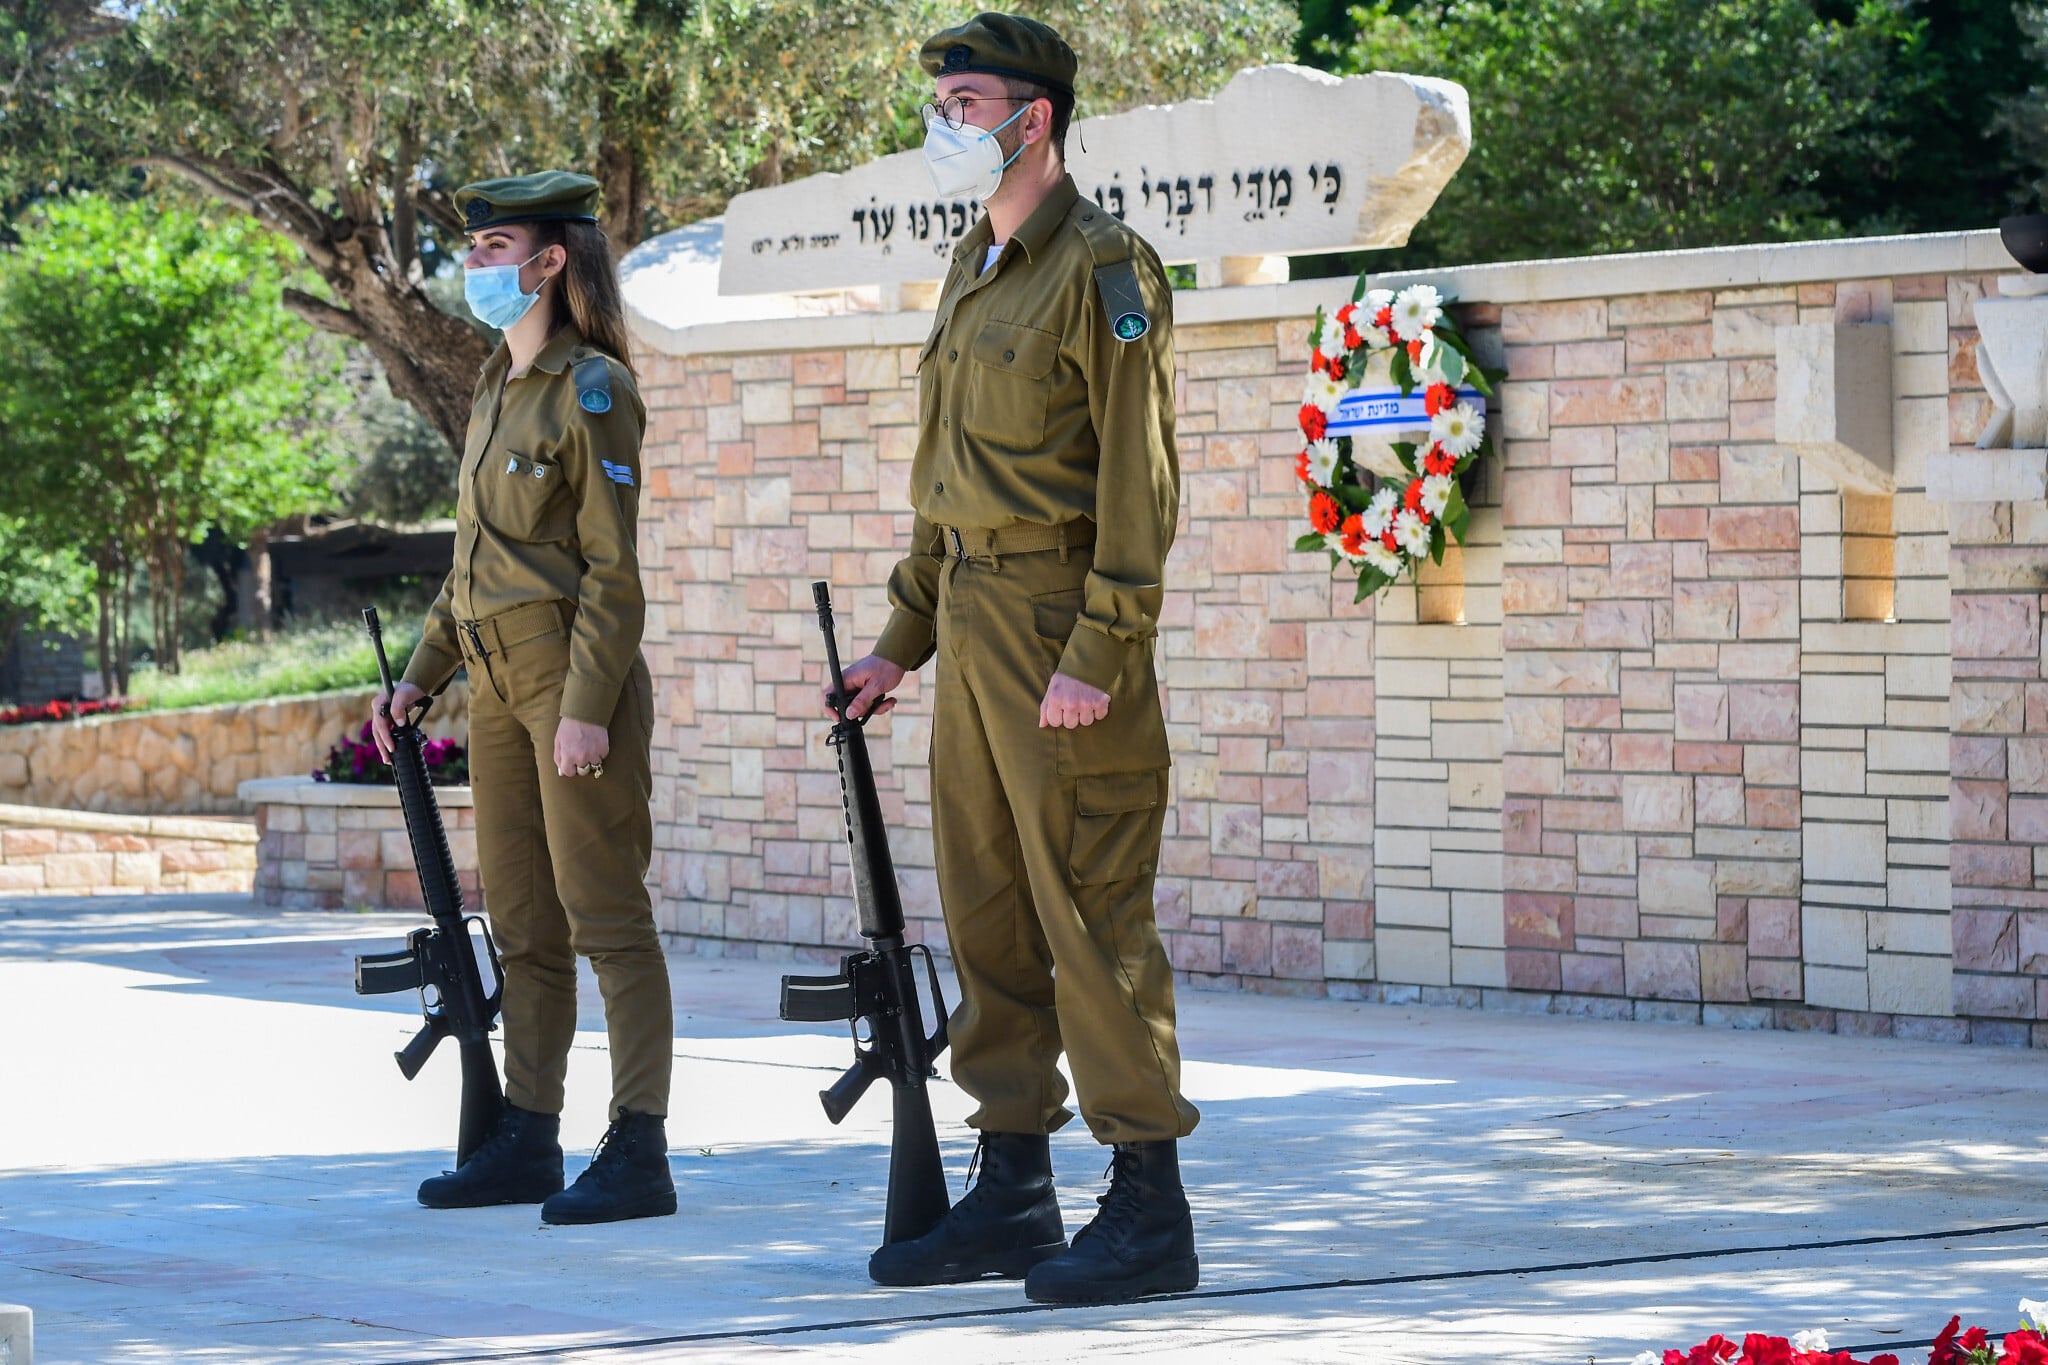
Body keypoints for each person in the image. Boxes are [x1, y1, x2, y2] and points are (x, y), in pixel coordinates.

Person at [832, 12, 1199, 1304]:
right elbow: (950, 488)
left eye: (965, 102)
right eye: (939, 104)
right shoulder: (971, 262)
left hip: (1062, 628)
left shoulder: (1106, 269)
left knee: (1088, 914)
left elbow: (1138, 488)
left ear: (1033, 117)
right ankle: (1013, 1188)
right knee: (986, 909)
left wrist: (1101, 646)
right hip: (974, 622)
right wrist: (896, 642)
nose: (943, 125)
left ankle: (1149, 1202)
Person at [371, 170, 675, 1226]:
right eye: (476, 248)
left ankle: (639, 1148)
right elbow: (473, 565)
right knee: (524, 927)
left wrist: (588, 703)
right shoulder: (498, 388)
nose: (477, 267)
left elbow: (612, 569)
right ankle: (527, 1137)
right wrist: (420, 676)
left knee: (608, 921)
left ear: (551, 262)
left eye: (496, 248)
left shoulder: (592, 388)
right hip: (495, 683)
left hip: (566, 681)